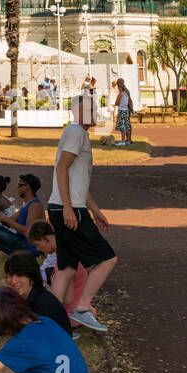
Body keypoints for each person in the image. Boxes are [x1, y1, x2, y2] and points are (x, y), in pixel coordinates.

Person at [46, 86, 117, 333]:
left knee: (66, 269)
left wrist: (95, 210)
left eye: (94, 108)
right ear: (78, 112)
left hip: (65, 207)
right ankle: (83, 308)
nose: (94, 112)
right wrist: (68, 208)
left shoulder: (76, 133)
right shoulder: (77, 132)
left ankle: (49, 325)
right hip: (69, 210)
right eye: (89, 108)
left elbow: (79, 182)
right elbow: (61, 169)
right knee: (108, 258)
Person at [26, 219, 89, 320]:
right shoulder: (66, 253)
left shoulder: (66, 259)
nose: (37, 249)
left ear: (44, 239)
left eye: (37, 244)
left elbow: (67, 299)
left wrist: (44, 286)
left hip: (69, 315)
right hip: (73, 312)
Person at [113, 78, 134, 146]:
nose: (117, 88)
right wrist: (131, 109)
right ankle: (128, 140)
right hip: (126, 110)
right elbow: (129, 101)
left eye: (118, 86)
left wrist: (131, 109)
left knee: (123, 127)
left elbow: (116, 103)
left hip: (122, 110)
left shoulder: (121, 93)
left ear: (120, 86)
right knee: (127, 125)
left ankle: (123, 141)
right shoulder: (126, 92)